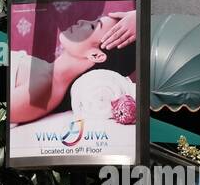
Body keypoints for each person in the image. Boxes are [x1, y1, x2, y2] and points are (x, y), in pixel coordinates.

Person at [9, 11, 137, 124]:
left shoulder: (44, 90)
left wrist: (138, 16)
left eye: (92, 26)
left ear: (96, 55)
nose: (81, 21)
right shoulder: (45, 75)